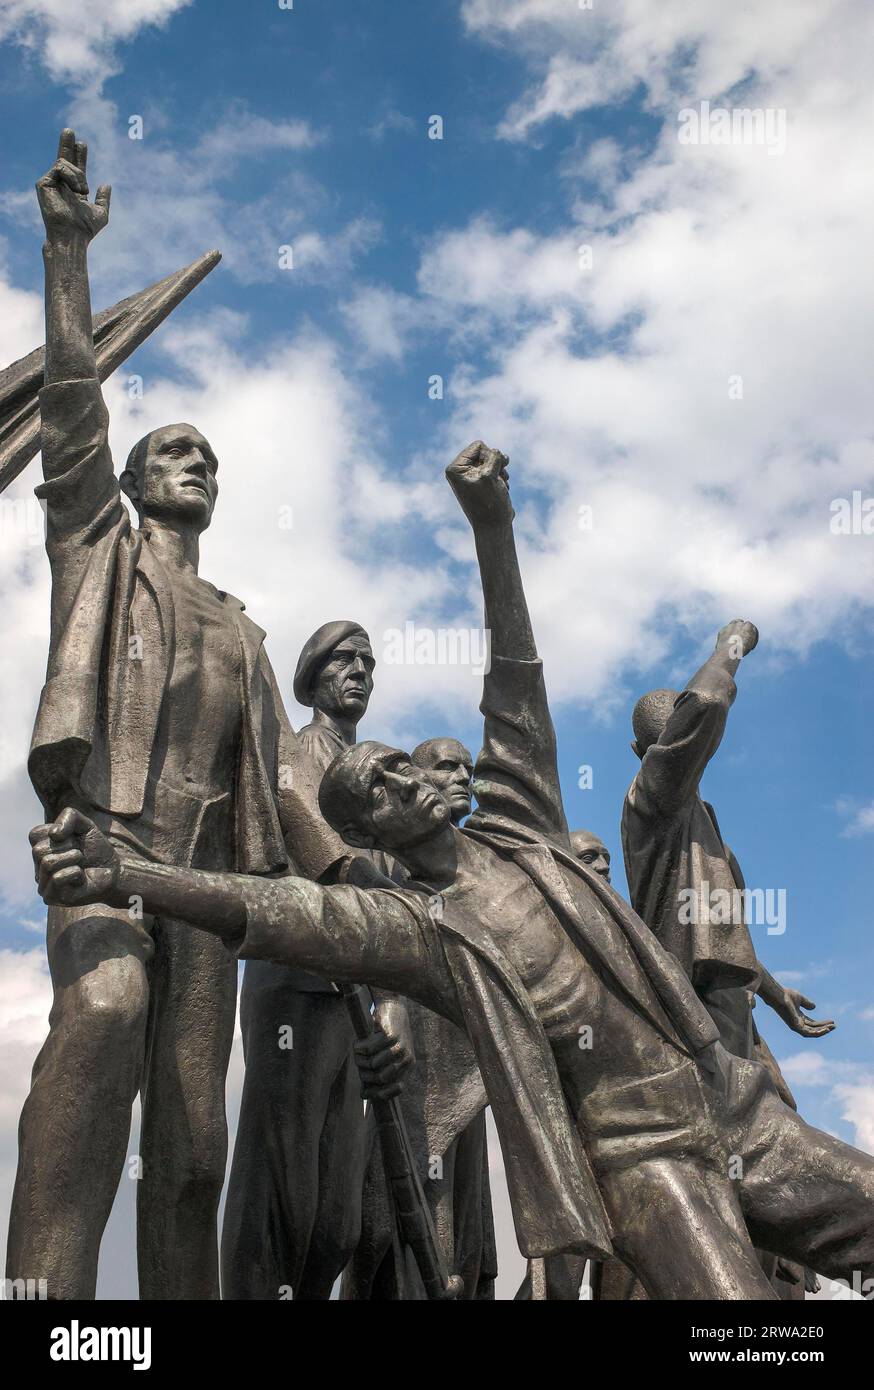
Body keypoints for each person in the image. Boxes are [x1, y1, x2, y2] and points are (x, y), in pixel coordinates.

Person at [30, 441, 874, 1299]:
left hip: (731, 1103)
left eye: (406, 765)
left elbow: (515, 678)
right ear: (374, 830)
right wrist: (123, 873)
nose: (409, 778)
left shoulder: (526, 826)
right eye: (384, 786)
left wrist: (493, 527)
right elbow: (275, 908)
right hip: (647, 1153)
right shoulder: (417, 925)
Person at [7, 130, 340, 1301]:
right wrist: (66, 258)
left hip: (210, 885)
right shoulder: (101, 550)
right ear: (140, 476)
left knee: (196, 1142)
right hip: (108, 848)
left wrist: (363, 893)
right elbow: (67, 416)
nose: (192, 458)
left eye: (206, 452)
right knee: (100, 1017)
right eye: (172, 446)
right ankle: (47, 1308)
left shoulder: (244, 631)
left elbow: (289, 791)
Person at [622, 625, 835, 1296]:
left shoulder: (703, 821)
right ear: (645, 753)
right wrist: (732, 645)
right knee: (727, 1157)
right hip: (693, 1009)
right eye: (668, 737)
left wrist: (772, 993)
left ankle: (772, 1279)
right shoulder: (652, 800)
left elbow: (719, 927)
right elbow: (706, 708)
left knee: (760, 1149)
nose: (681, 746)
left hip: (729, 1005)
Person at [223, 621, 396, 1299]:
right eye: (344, 660)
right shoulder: (297, 753)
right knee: (279, 1181)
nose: (359, 670)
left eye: (368, 662)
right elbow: (319, 840)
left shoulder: (378, 772)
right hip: (295, 981)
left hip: (357, 990)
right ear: (313, 677)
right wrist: (395, 897)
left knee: (337, 1222)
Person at [343, 737, 497, 1301]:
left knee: (465, 1227)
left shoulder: (481, 861)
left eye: (469, 769)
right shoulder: (390, 859)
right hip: (416, 1064)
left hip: (468, 1066)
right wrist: (392, 1001)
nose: (463, 777)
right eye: (446, 766)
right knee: (398, 1215)